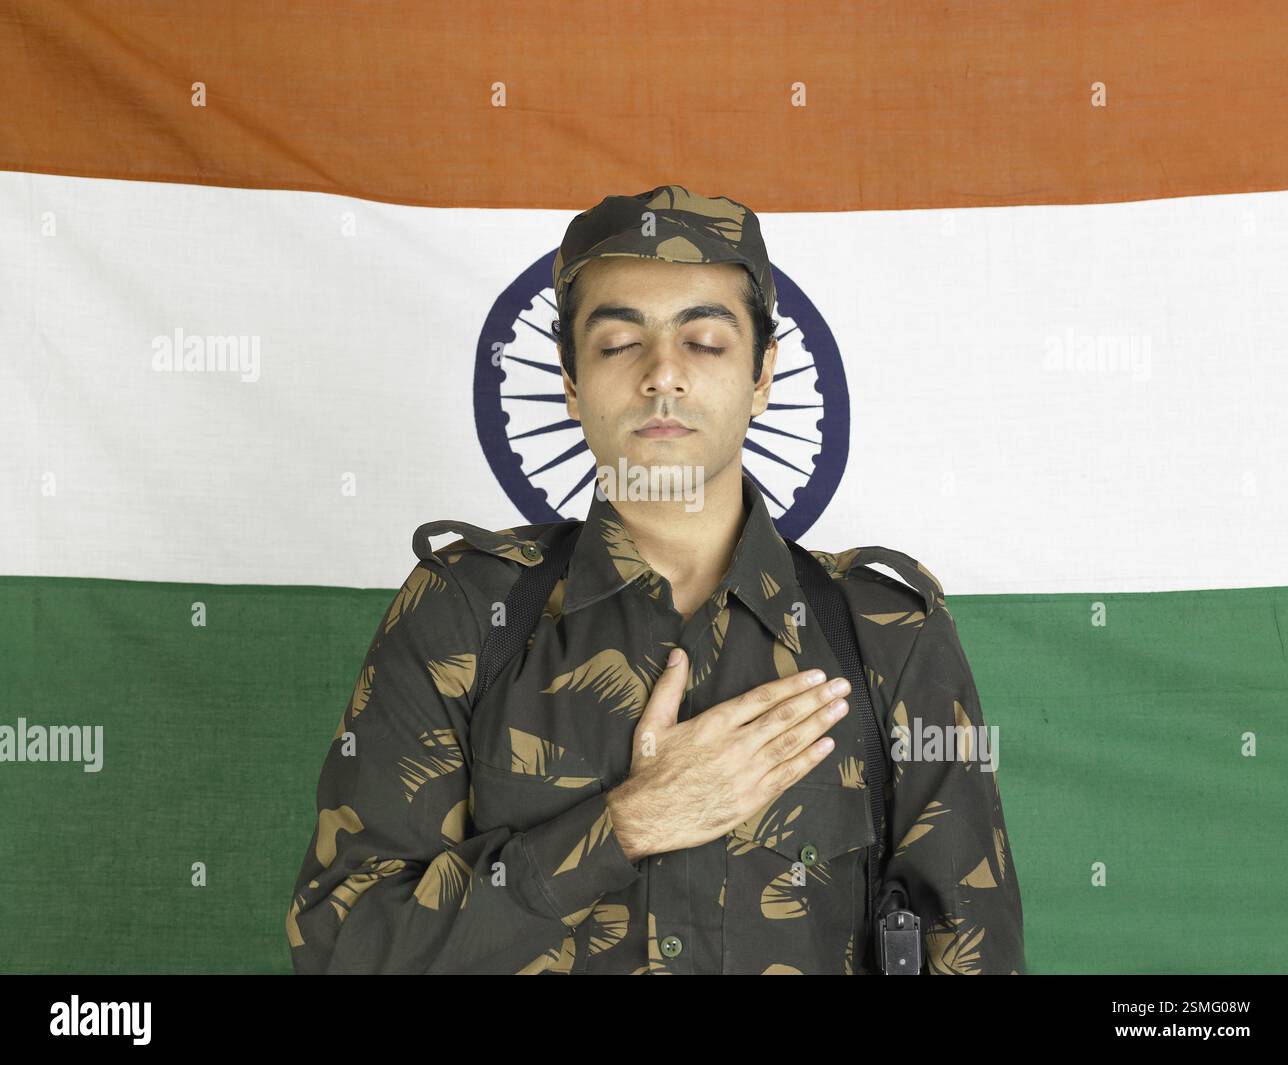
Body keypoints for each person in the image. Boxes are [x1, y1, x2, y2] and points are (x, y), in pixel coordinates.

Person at [286, 184, 1026, 974]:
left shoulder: (890, 640)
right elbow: (342, 947)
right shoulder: (463, 616)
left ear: (762, 375)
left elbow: (971, 954)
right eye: (616, 345)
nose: (662, 374)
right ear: (571, 383)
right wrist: (626, 823)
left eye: (705, 342)